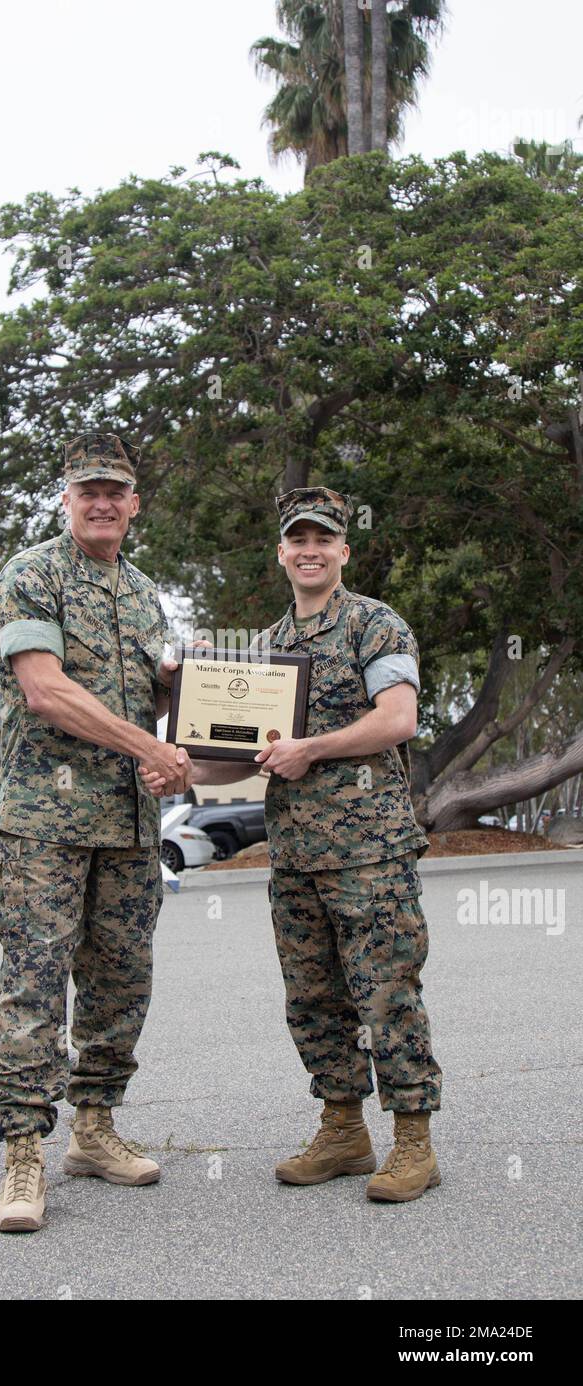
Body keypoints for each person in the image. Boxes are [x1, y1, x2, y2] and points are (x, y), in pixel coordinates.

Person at [141, 486, 442, 1203]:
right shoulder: (269, 651)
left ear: (343, 550)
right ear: (281, 553)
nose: (309, 550)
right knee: (311, 998)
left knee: (386, 993)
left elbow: (396, 719)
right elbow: (242, 757)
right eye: (296, 540)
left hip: (368, 850)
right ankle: (342, 1131)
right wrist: (176, 763)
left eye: (322, 539)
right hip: (297, 855)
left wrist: (314, 749)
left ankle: (413, 1142)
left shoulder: (373, 624)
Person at [0, 431, 192, 1232]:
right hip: (47, 819)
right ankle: (23, 1152)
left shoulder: (143, 594)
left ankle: (95, 1128)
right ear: (66, 500)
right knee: (35, 983)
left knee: (119, 983)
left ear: (133, 505)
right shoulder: (30, 575)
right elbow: (46, 692)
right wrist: (151, 746)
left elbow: (158, 702)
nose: (101, 503)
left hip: (130, 825)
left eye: (115, 491)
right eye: (87, 491)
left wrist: (194, 696)